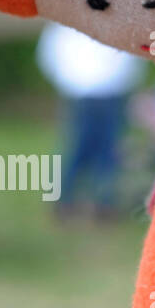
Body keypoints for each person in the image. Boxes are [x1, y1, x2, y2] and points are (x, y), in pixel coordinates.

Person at [35, 23, 144, 218]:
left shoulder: (115, 22)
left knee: (107, 151)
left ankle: (103, 202)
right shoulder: (65, 25)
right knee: (79, 148)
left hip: (109, 94)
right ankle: (67, 201)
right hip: (83, 95)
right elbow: (51, 56)